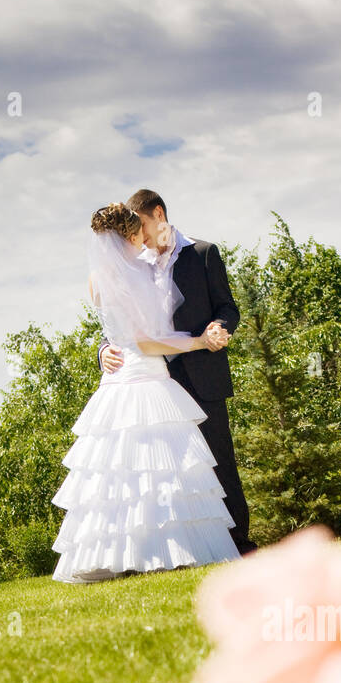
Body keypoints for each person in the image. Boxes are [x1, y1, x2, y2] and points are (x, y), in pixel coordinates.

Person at [51, 202, 240, 584]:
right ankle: (166, 550)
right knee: (163, 466)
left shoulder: (99, 276)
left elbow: (125, 328)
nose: (144, 238)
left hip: (128, 382)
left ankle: (124, 553)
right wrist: (199, 342)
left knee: (123, 472)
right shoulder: (134, 273)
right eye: (137, 232)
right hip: (148, 374)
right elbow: (144, 340)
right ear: (131, 235)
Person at [99, 188, 255, 554]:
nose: (138, 236)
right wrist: (103, 348)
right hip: (155, 380)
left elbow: (228, 307)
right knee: (171, 472)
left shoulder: (203, 253)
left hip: (203, 375)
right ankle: (189, 549)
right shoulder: (134, 264)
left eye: (140, 225)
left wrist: (219, 327)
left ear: (159, 214)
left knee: (218, 462)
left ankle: (239, 545)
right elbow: (119, 321)